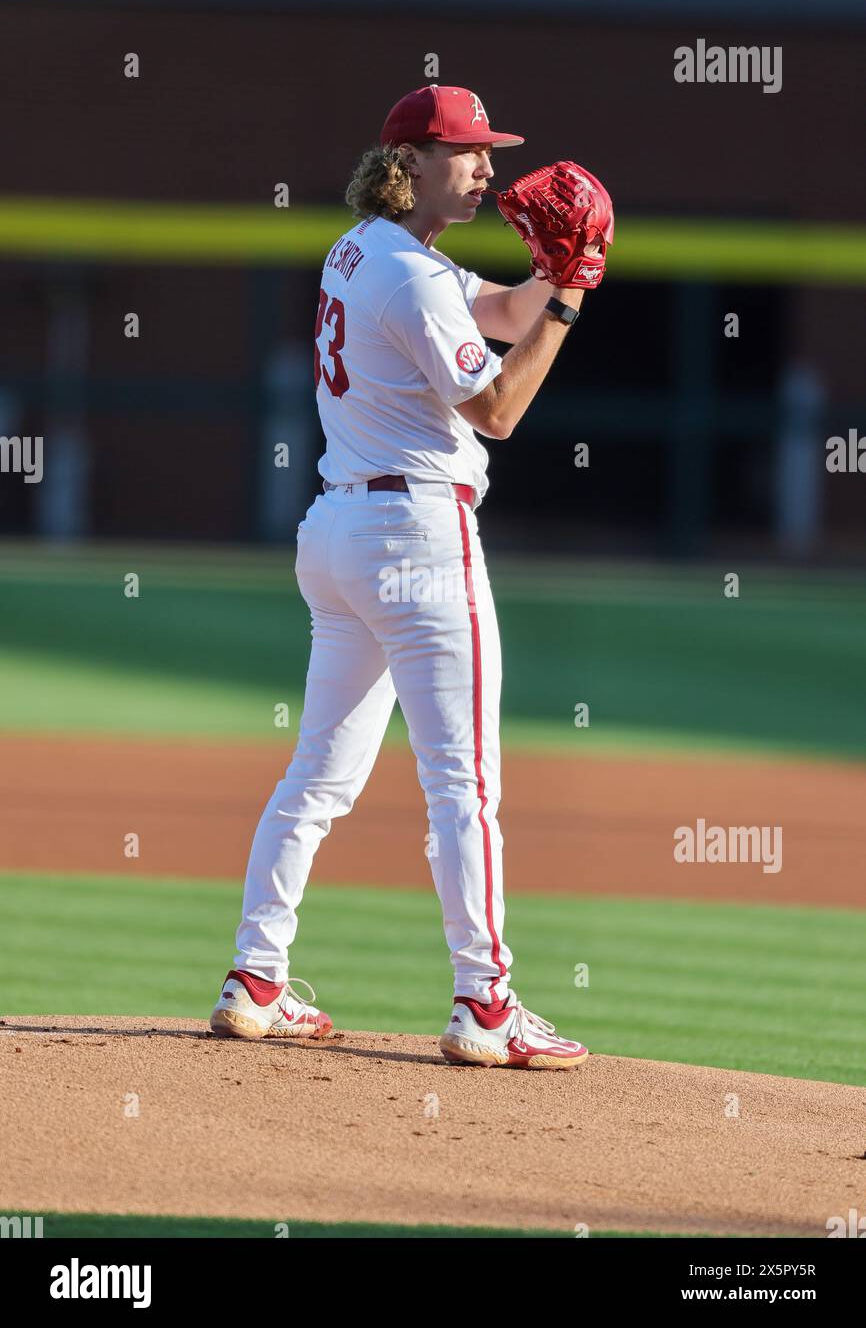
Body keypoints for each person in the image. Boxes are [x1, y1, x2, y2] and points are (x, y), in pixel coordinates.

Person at [210, 85, 611, 1069]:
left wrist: (551, 278)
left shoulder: (362, 253)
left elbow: (497, 313)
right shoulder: (410, 276)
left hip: (340, 533)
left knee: (317, 770)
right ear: (411, 161)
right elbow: (501, 408)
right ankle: (485, 1002)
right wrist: (567, 296)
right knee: (461, 780)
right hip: (419, 539)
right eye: (468, 152)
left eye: (486, 151)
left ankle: (257, 975)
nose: (486, 167)